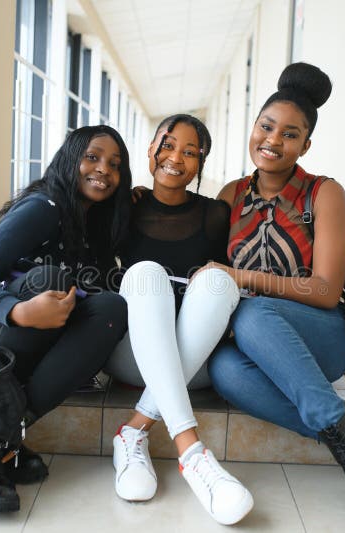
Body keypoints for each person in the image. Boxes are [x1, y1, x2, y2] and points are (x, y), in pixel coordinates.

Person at [204, 62, 345, 532]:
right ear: (253, 128)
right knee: (225, 372)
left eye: (290, 134)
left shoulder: (323, 192)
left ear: (305, 145)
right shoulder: (230, 194)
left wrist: (241, 278)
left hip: (321, 335)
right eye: (266, 126)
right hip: (256, 344)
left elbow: (327, 292)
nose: (273, 140)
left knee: (253, 315)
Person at [0, 125, 132, 512]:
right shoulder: (43, 208)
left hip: (37, 338)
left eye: (115, 165)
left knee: (112, 308)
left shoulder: (95, 223)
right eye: (93, 157)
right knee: (49, 279)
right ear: (70, 160)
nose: (103, 169)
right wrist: (18, 310)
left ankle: (2, 438)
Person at [103, 114, 254, 525]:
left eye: (191, 152)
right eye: (168, 146)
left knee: (220, 283)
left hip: (195, 362)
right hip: (131, 355)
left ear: (201, 164)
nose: (176, 158)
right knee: (146, 274)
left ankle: (133, 430)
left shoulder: (216, 215)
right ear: (150, 150)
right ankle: (192, 452)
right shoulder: (123, 207)